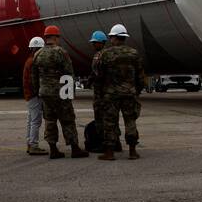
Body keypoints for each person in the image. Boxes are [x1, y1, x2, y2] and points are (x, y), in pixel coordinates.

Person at [31, 25, 88, 159]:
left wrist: (38, 91)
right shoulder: (61, 52)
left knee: (50, 121)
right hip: (61, 92)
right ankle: (74, 148)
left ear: (46, 38)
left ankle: (53, 150)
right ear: (56, 37)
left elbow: (34, 77)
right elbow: (69, 74)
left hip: (45, 92)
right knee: (68, 119)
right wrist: (70, 93)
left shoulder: (38, 54)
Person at [92, 23, 148, 161]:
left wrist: (100, 93)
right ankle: (133, 151)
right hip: (129, 93)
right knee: (130, 121)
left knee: (110, 122)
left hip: (111, 95)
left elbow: (98, 75)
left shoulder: (106, 54)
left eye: (111, 37)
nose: (110, 40)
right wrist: (137, 90)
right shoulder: (134, 53)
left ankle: (109, 153)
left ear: (115, 38)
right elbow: (141, 76)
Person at [86, 31, 121, 153]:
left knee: (102, 118)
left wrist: (94, 80)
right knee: (110, 118)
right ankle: (116, 142)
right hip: (104, 91)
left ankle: (105, 143)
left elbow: (100, 73)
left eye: (95, 42)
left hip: (102, 93)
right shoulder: (102, 55)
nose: (93, 45)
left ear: (102, 43)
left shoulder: (103, 55)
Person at [22, 36, 45, 155]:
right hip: (34, 95)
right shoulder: (34, 62)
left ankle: (29, 143)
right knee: (36, 121)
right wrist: (39, 93)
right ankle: (34, 145)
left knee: (30, 120)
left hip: (29, 94)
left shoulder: (29, 60)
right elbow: (34, 81)